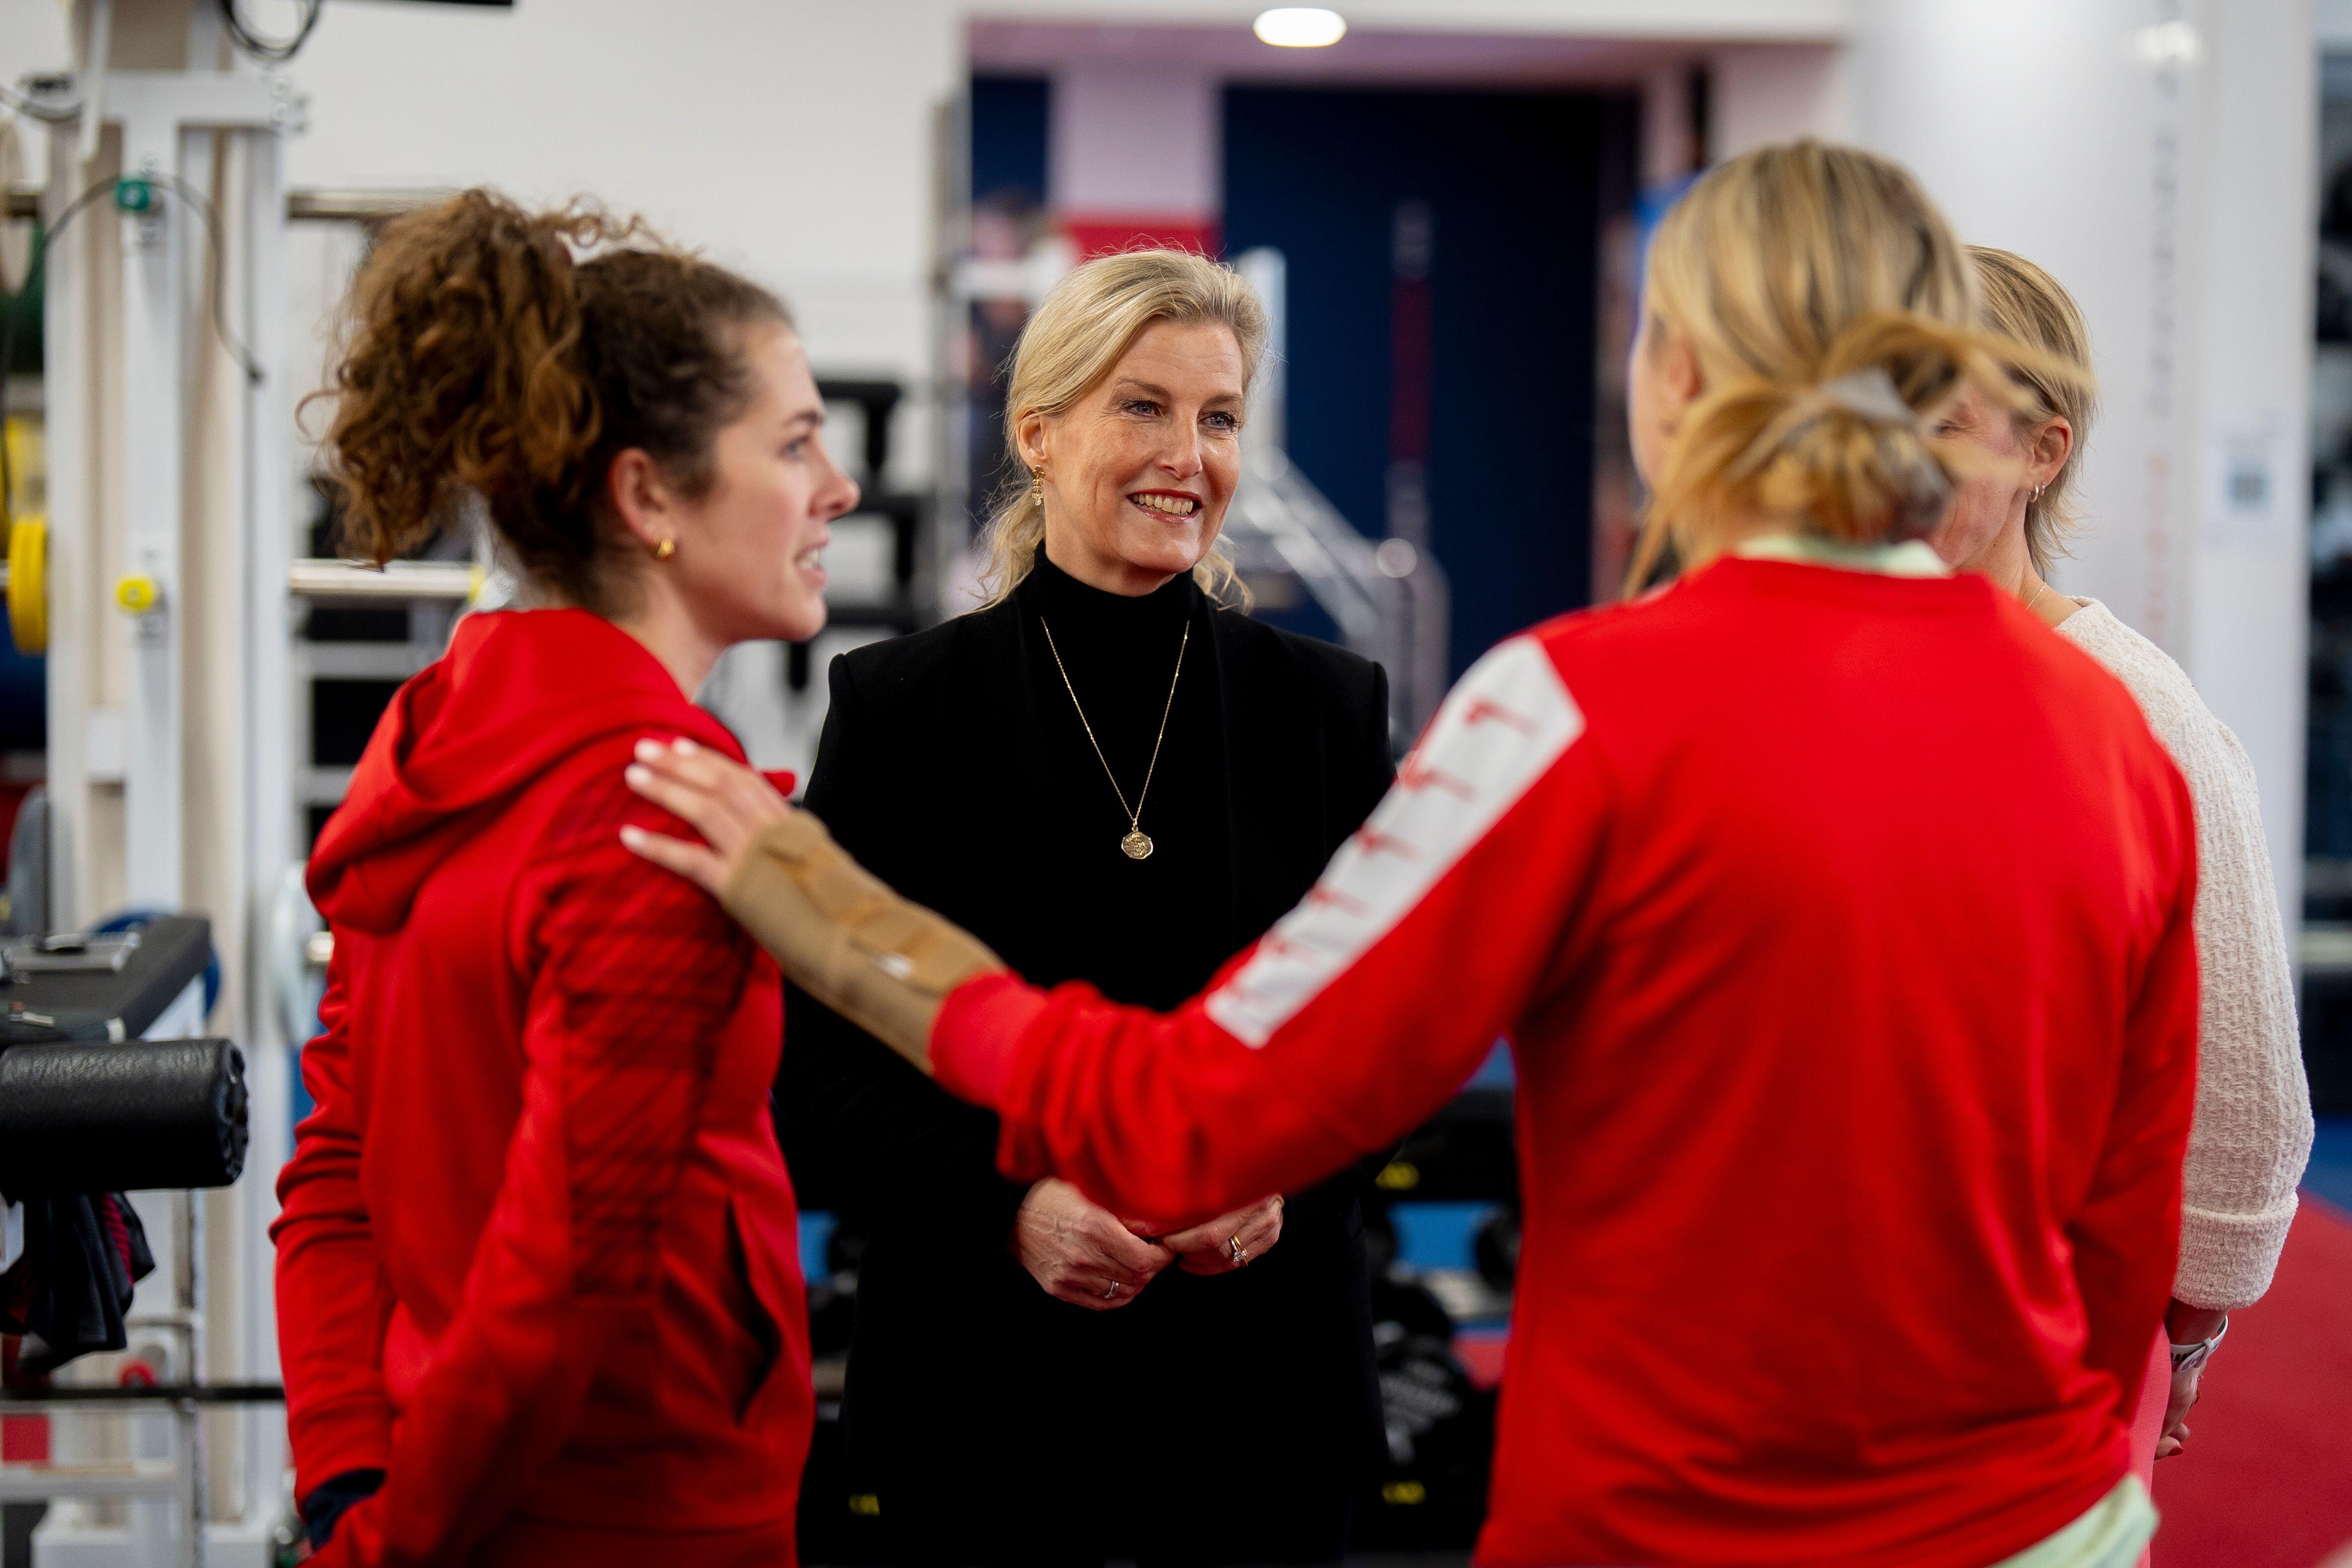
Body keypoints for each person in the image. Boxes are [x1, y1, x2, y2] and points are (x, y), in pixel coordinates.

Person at [622, 141, 2202, 1568]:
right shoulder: (2113, 732)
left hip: (1669, 1519)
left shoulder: (1573, 714)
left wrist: (826, 917)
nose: (1189, 449)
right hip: (2033, 1522)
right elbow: (2130, 1232)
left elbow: (1195, 1112)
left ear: (1679, 379)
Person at [270, 190, 859, 1567]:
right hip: (636, 1518)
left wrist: (351, 1472)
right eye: (793, 443)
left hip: (438, 1480)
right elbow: (560, 1289)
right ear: (648, 494)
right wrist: (388, 1538)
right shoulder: (651, 815)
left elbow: (338, 1167)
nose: (836, 487)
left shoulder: (437, 733)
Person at [777, 248, 1390, 1566]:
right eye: (1142, 406)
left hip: (1263, 1402)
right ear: (1038, 431)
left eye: (1218, 417)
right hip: (986, 1392)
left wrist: (1284, 1172)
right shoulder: (901, 709)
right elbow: (808, 1052)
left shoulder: (1326, 711)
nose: (1188, 454)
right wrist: (1005, 1203)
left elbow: (1400, 1029)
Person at [1926, 247, 2315, 1479]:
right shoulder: (1810, 675)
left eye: (1941, 423)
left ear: (2042, 454)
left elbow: (2247, 1073)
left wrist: (2189, 1317)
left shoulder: (2141, 711)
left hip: (2048, 1321)